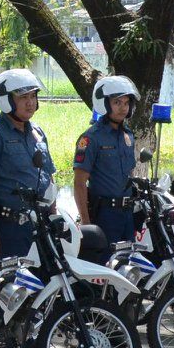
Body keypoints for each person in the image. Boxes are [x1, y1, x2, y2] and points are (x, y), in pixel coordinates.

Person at [0, 68, 55, 267]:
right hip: (6, 227)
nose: (30, 102)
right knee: (6, 289)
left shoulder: (37, 133)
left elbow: (48, 176)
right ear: (6, 100)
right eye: (23, 97)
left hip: (37, 226)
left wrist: (53, 214)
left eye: (33, 96)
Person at [73, 75, 140, 245]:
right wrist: (86, 223)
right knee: (105, 266)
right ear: (104, 103)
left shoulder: (128, 136)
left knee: (129, 263)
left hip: (127, 213)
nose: (123, 108)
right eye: (117, 102)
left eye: (126, 103)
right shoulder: (90, 138)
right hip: (104, 214)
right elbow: (79, 183)